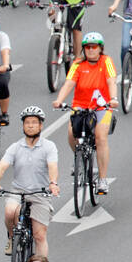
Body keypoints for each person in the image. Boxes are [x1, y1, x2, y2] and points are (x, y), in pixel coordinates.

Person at [0, 106, 59, 257]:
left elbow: (53, 166)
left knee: (39, 236)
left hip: (40, 193)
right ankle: (12, 237)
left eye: (34, 122)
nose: (31, 125)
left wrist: (53, 183)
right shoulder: (15, 147)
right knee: (9, 212)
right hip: (18, 192)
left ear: (41, 125)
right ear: (23, 125)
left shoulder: (49, 146)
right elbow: (2, 167)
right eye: (27, 122)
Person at [52, 31, 116, 194]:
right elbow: (69, 83)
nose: (91, 50)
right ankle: (79, 158)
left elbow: (111, 81)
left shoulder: (106, 61)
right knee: (71, 134)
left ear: (100, 48)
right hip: (80, 106)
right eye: (87, 47)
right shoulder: (78, 64)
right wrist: (59, 100)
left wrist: (113, 98)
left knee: (100, 137)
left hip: (101, 107)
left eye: (94, 47)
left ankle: (102, 180)